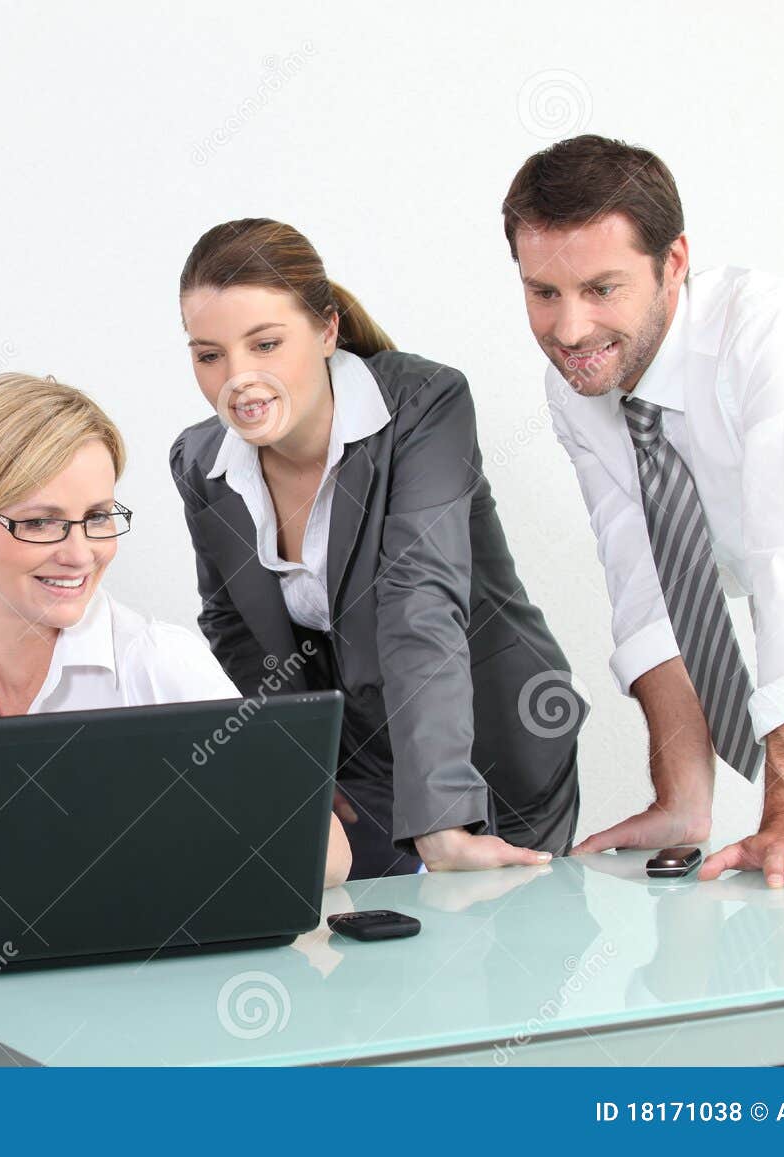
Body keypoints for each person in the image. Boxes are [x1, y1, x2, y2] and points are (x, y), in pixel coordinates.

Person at [503, 134, 784, 887]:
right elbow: (647, 586)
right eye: (544, 292)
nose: (570, 330)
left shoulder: (776, 341)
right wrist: (683, 799)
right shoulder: (581, 386)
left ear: (674, 261)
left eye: (602, 288)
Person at [170, 218, 584, 878]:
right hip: (358, 760)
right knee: (369, 959)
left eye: (266, 343)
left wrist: (444, 818)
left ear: (327, 330)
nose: (238, 378)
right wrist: (297, 760)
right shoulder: (199, 460)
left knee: (504, 953)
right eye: (209, 354)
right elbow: (234, 626)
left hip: (490, 739)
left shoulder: (424, 405)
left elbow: (417, 601)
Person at [0, 373, 352, 921]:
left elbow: (327, 853)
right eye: (41, 522)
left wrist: (129, 879)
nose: (80, 554)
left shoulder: (158, 662)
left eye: (98, 517)